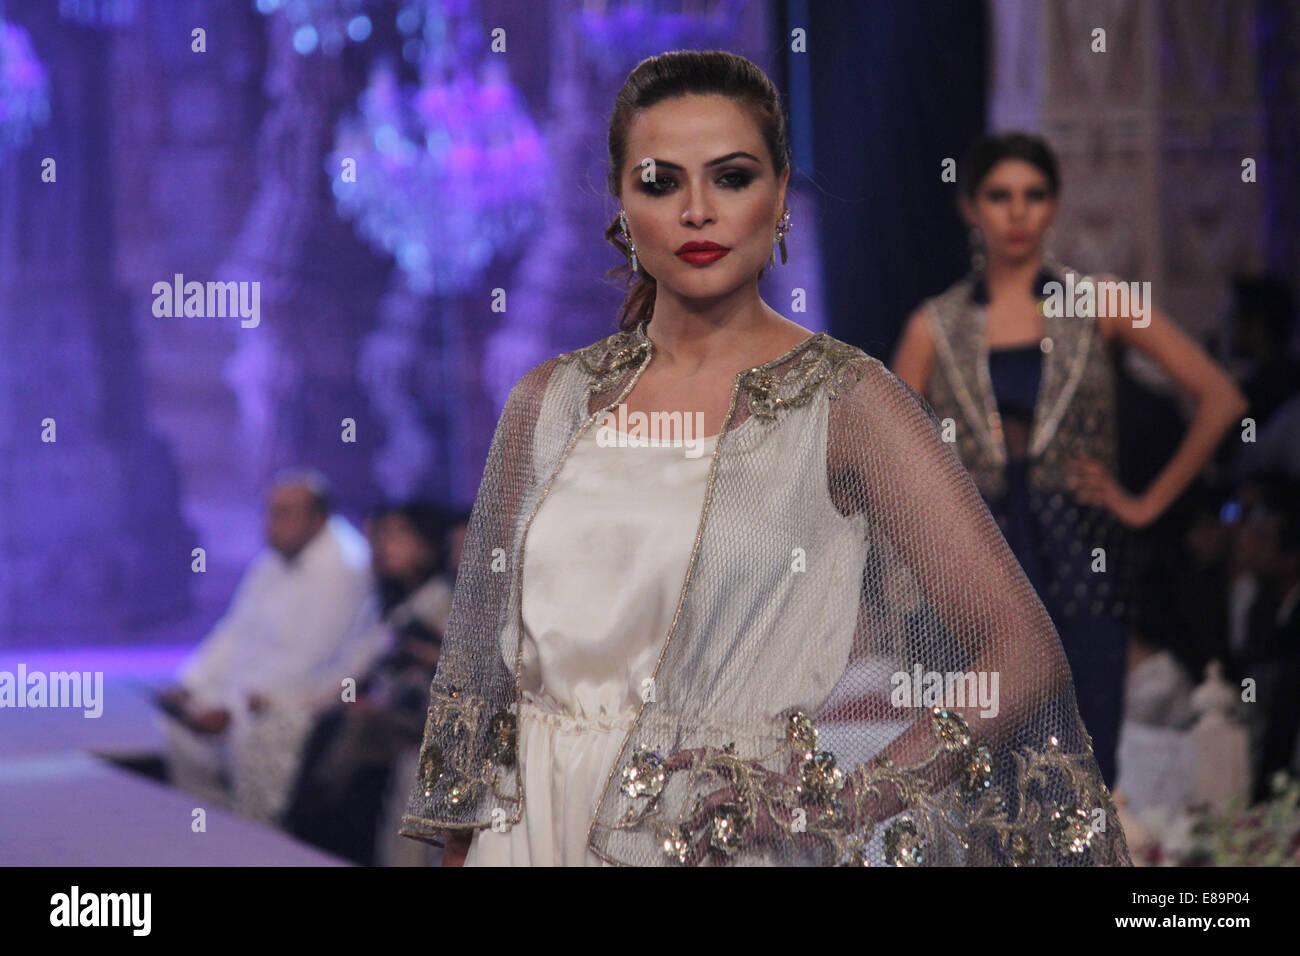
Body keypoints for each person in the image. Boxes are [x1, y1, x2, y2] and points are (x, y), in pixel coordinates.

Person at [401, 51, 1131, 867]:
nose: (698, 211)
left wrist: (844, 801)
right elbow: (480, 688)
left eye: (732, 177)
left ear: (781, 195)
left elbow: (1020, 654)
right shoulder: (549, 402)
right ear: (621, 204)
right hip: (523, 837)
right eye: (660, 181)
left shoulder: (847, 403)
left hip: (714, 845)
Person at [891, 132, 1248, 788]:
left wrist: (1143, 504)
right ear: (971, 208)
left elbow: (1221, 398)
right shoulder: (935, 325)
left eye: (1034, 195)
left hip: (1085, 559)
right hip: (979, 565)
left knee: (1084, 767)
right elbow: (892, 458)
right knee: (989, 775)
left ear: (1055, 205)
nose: (1018, 212)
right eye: (1000, 197)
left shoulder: (1097, 301)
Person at [156, 469, 384, 824]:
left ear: (318, 518)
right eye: (270, 511)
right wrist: (191, 684)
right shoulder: (273, 561)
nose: (270, 523)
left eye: (284, 513)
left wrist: (228, 708)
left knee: (253, 731)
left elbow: (308, 664)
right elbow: (234, 631)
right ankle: (216, 831)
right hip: (246, 693)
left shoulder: (343, 569)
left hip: (299, 701)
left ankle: (255, 839)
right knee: (180, 726)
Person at [284, 502, 454, 864]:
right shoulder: (392, 601)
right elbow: (368, 670)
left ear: (428, 545)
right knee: (329, 726)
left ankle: (308, 825)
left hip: (427, 719)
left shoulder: (441, 601)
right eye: (383, 535)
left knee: (347, 732)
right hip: (395, 712)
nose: (384, 545)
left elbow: (444, 677)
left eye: (399, 535)